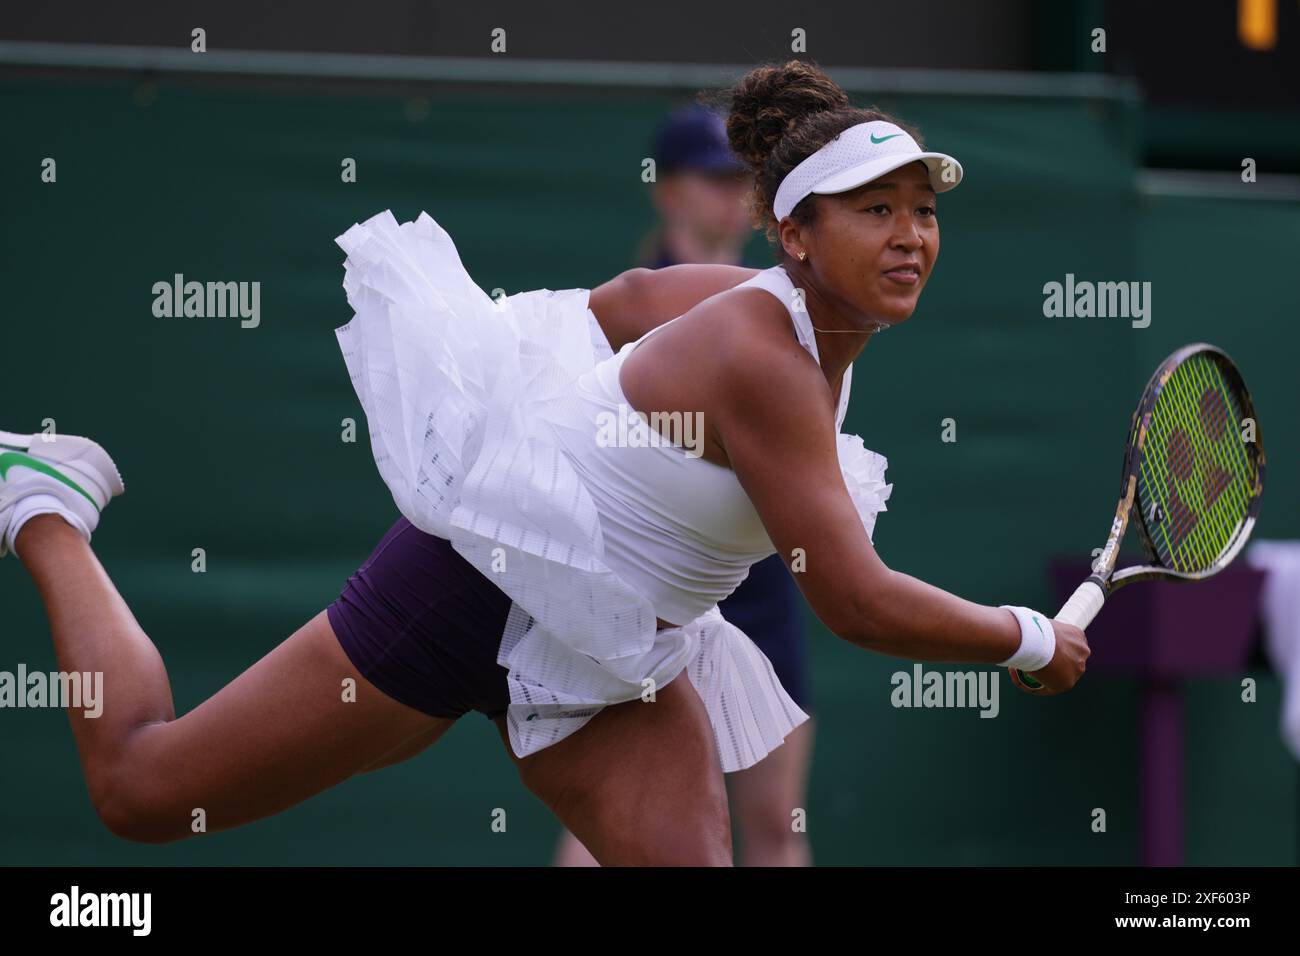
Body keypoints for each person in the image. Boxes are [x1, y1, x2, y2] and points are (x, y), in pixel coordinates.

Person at [0, 59, 1089, 866]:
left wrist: (582, 432)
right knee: (143, 789)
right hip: (464, 595)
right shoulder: (760, 352)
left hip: (606, 659)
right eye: (876, 210)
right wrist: (1024, 637)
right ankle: (47, 506)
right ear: (796, 237)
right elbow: (854, 598)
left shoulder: (742, 312)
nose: (910, 236)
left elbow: (613, 306)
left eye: (923, 212)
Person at [554, 104, 816, 867]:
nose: (730, 195)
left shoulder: (788, 317)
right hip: (646, 596)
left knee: (778, 830)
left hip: (760, 600)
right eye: (712, 178)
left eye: (743, 179)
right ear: (666, 191)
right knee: (609, 832)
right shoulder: (638, 306)